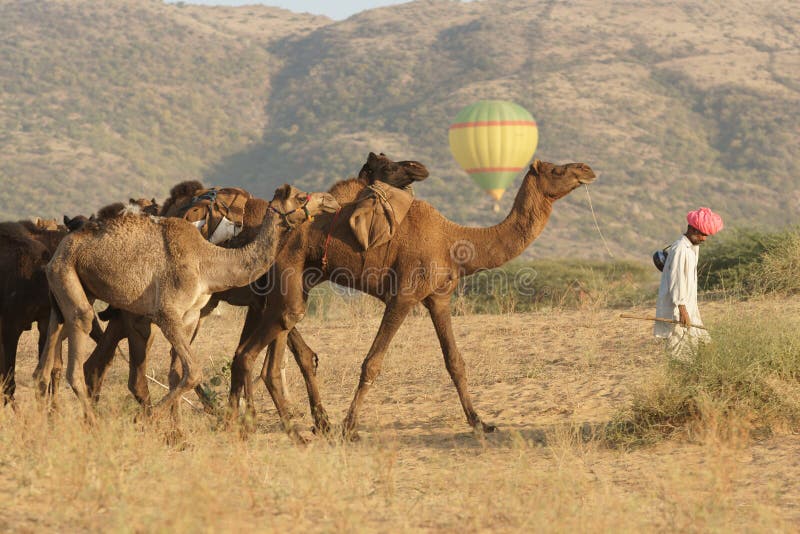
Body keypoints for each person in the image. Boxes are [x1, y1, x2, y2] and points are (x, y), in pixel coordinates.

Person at [655, 207, 724, 360]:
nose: (704, 238)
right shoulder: (680, 249)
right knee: (682, 357)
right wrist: (682, 310)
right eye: (703, 234)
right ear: (692, 229)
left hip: (690, 309)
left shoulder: (692, 247)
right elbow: (677, 280)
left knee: (706, 349)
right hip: (678, 312)